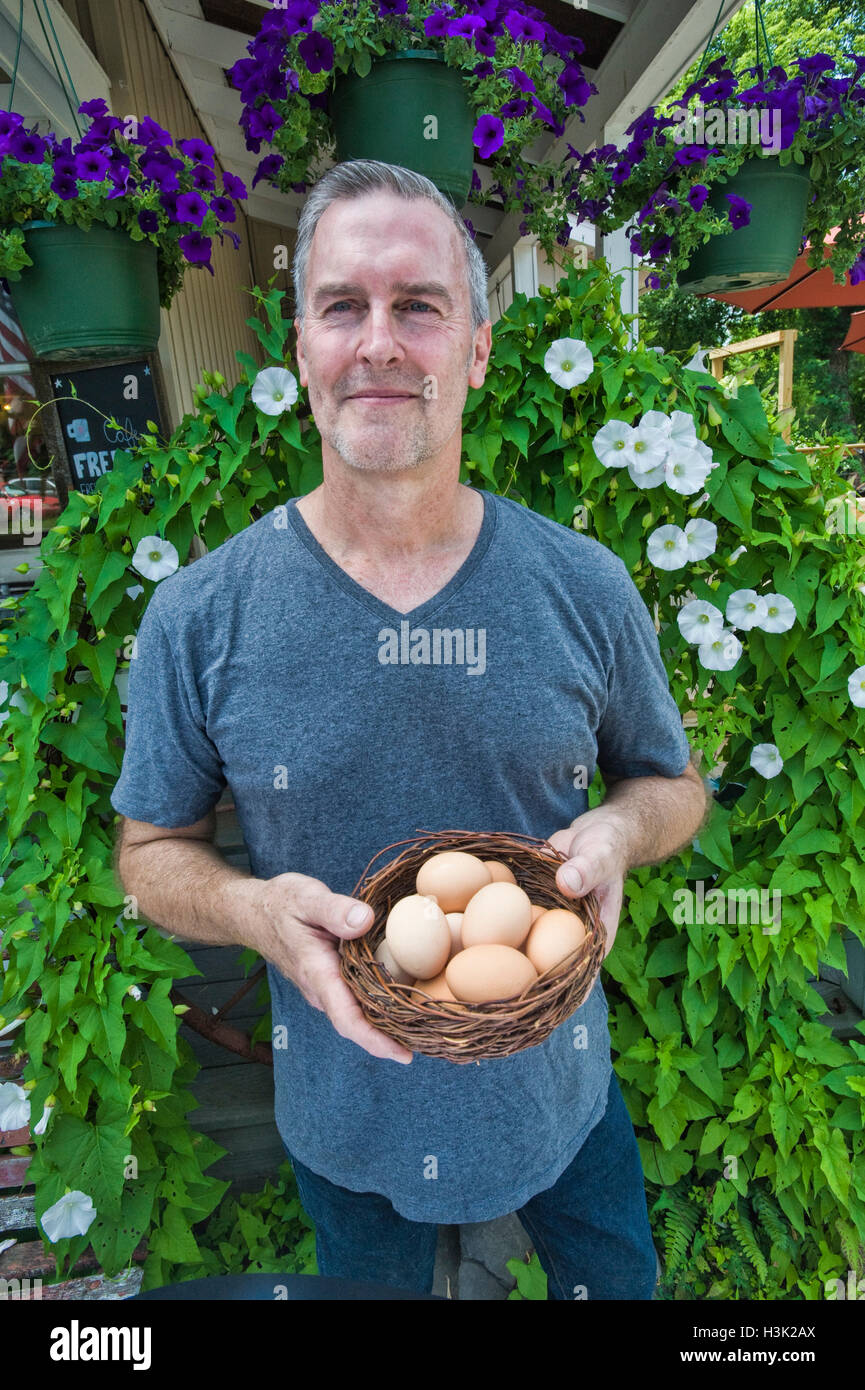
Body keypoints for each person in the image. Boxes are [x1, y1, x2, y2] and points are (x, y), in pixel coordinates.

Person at [111, 159, 709, 1301]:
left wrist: (623, 833)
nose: (377, 341)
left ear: (476, 351)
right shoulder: (201, 613)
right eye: (342, 305)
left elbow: (672, 782)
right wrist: (248, 908)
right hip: (346, 1116)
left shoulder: (582, 584)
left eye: (419, 306)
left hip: (560, 1086)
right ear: (301, 347)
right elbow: (148, 856)